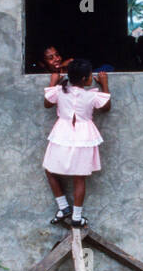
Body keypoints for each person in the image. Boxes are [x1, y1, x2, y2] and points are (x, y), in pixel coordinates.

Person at [42, 58, 110, 228]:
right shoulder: (92, 95)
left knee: (50, 171)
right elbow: (106, 107)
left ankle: (63, 207)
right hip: (83, 137)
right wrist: (104, 84)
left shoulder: (59, 91)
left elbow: (46, 104)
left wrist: (52, 81)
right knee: (79, 179)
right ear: (84, 79)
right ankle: (76, 216)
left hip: (62, 135)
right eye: (90, 75)